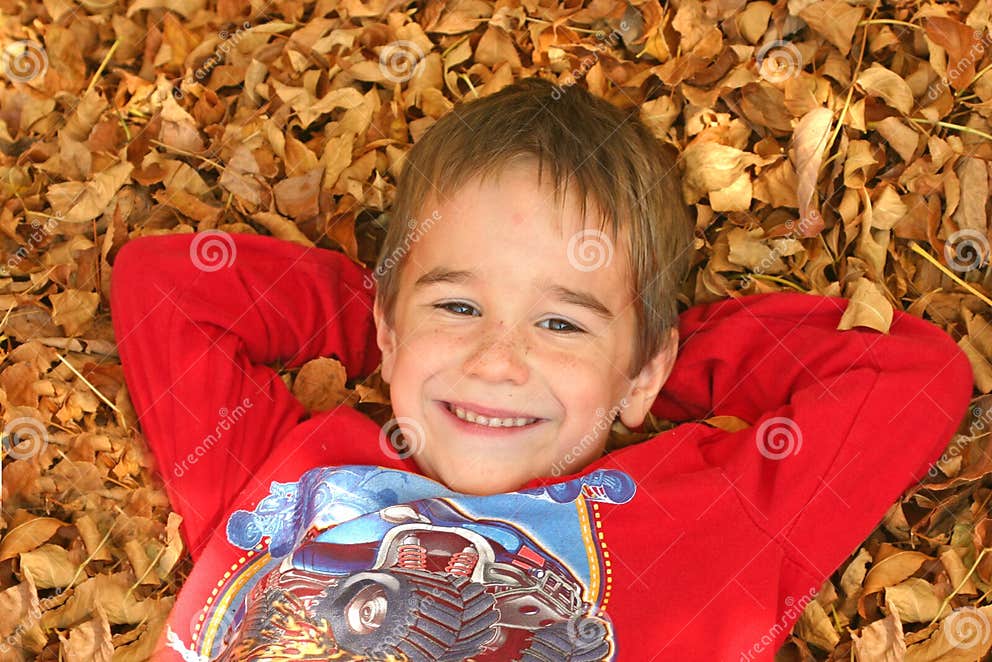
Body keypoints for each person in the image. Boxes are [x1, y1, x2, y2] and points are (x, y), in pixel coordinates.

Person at [110, 77, 973, 661]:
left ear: (643, 373)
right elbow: (165, 288)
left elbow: (908, 375)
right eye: (459, 307)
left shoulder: (710, 524)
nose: (497, 360)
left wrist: (634, 361)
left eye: (560, 323)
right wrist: (393, 327)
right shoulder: (288, 478)